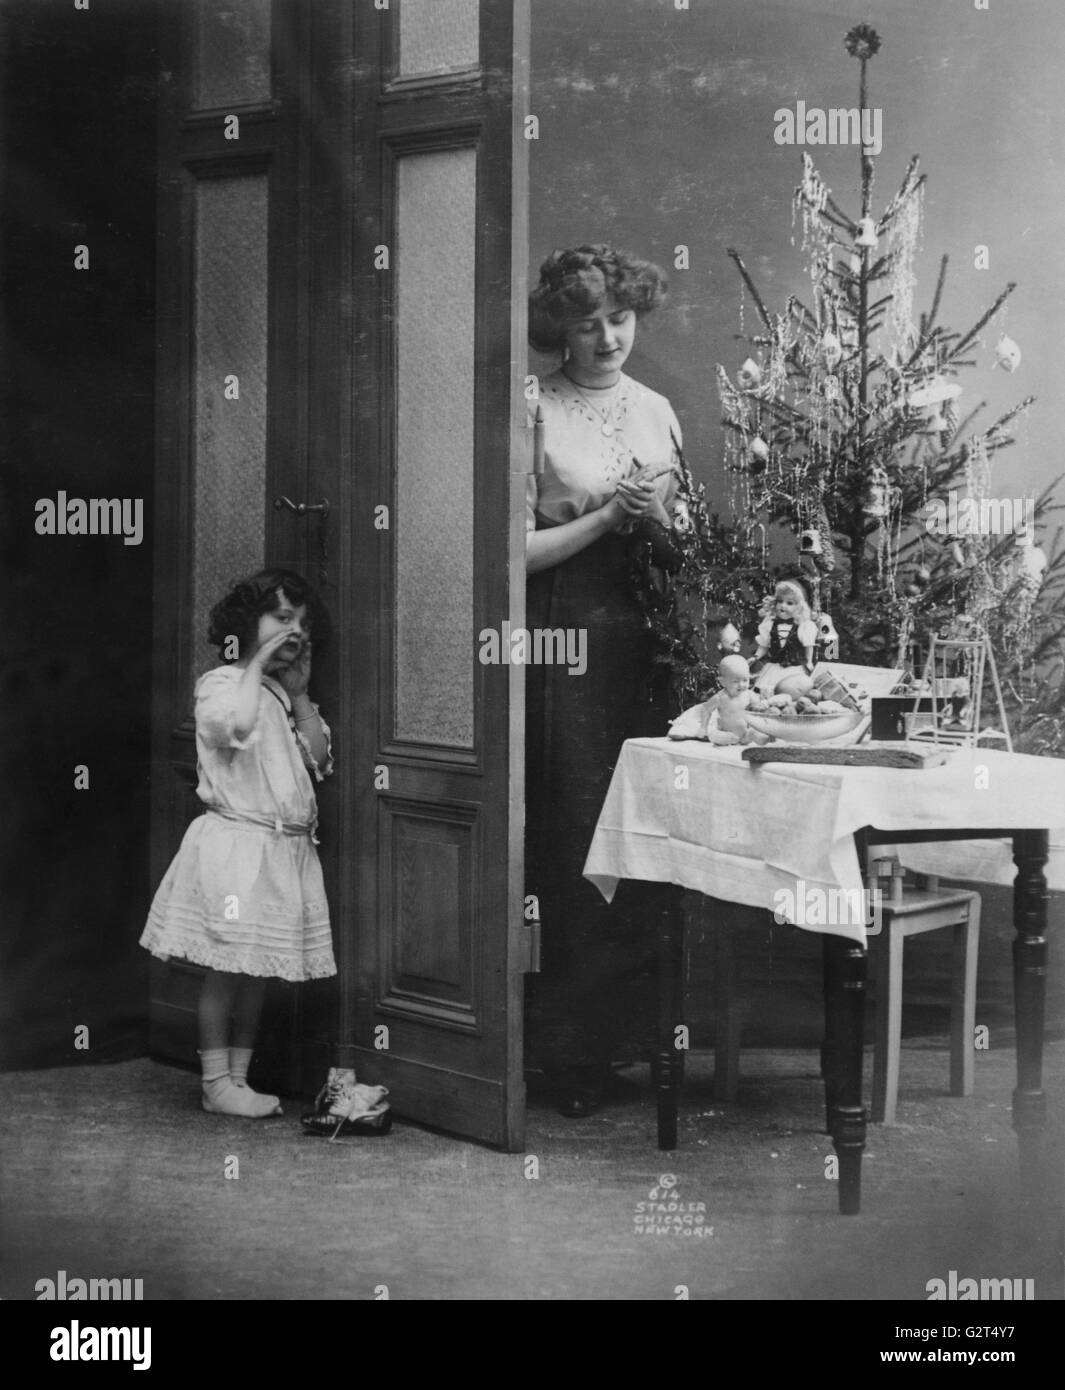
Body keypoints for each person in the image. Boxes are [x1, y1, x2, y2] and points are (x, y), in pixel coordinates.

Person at [525, 243, 685, 1117]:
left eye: (618, 318)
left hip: (643, 634)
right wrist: (604, 519)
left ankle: (623, 1039)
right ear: (559, 328)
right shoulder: (532, 405)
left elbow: (683, 542)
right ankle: (563, 1055)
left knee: (644, 829)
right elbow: (509, 553)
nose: (606, 337)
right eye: (585, 323)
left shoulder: (657, 409)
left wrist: (655, 518)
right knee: (576, 832)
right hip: (565, 633)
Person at [140, 568, 339, 1118]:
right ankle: (214, 1082)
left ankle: (239, 1079)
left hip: (281, 853)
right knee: (227, 968)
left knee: (258, 972)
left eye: (301, 621)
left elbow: (320, 760)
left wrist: (299, 696)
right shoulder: (223, 684)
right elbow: (238, 728)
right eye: (281, 618)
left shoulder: (280, 692)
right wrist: (254, 663)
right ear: (247, 624)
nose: (294, 628)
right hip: (236, 850)